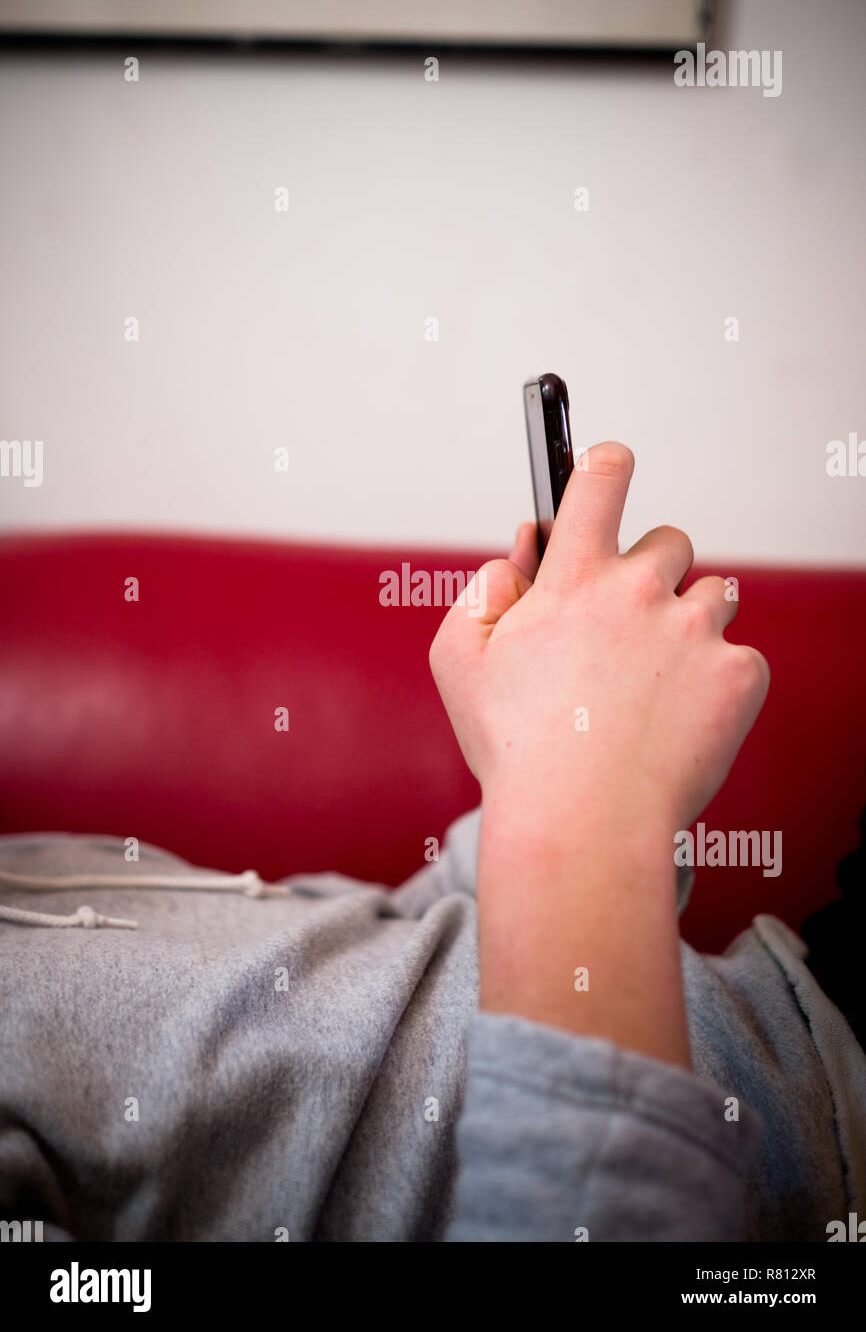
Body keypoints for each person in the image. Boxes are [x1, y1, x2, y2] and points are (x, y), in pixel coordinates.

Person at [0, 442, 863, 1242]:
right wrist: (583, 787)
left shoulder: (35, 860)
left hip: (804, 986)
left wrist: (558, 724)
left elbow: (414, 938)